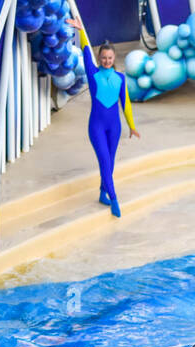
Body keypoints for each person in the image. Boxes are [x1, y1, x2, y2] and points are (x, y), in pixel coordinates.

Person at [67, 17, 139, 218]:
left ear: (114, 58)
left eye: (110, 58)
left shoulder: (120, 78)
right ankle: (114, 198)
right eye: (104, 57)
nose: (107, 60)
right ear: (100, 59)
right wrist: (81, 31)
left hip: (114, 127)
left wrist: (131, 126)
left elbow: (125, 104)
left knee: (110, 162)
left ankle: (101, 193)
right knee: (105, 162)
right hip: (97, 127)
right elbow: (86, 52)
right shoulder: (93, 73)